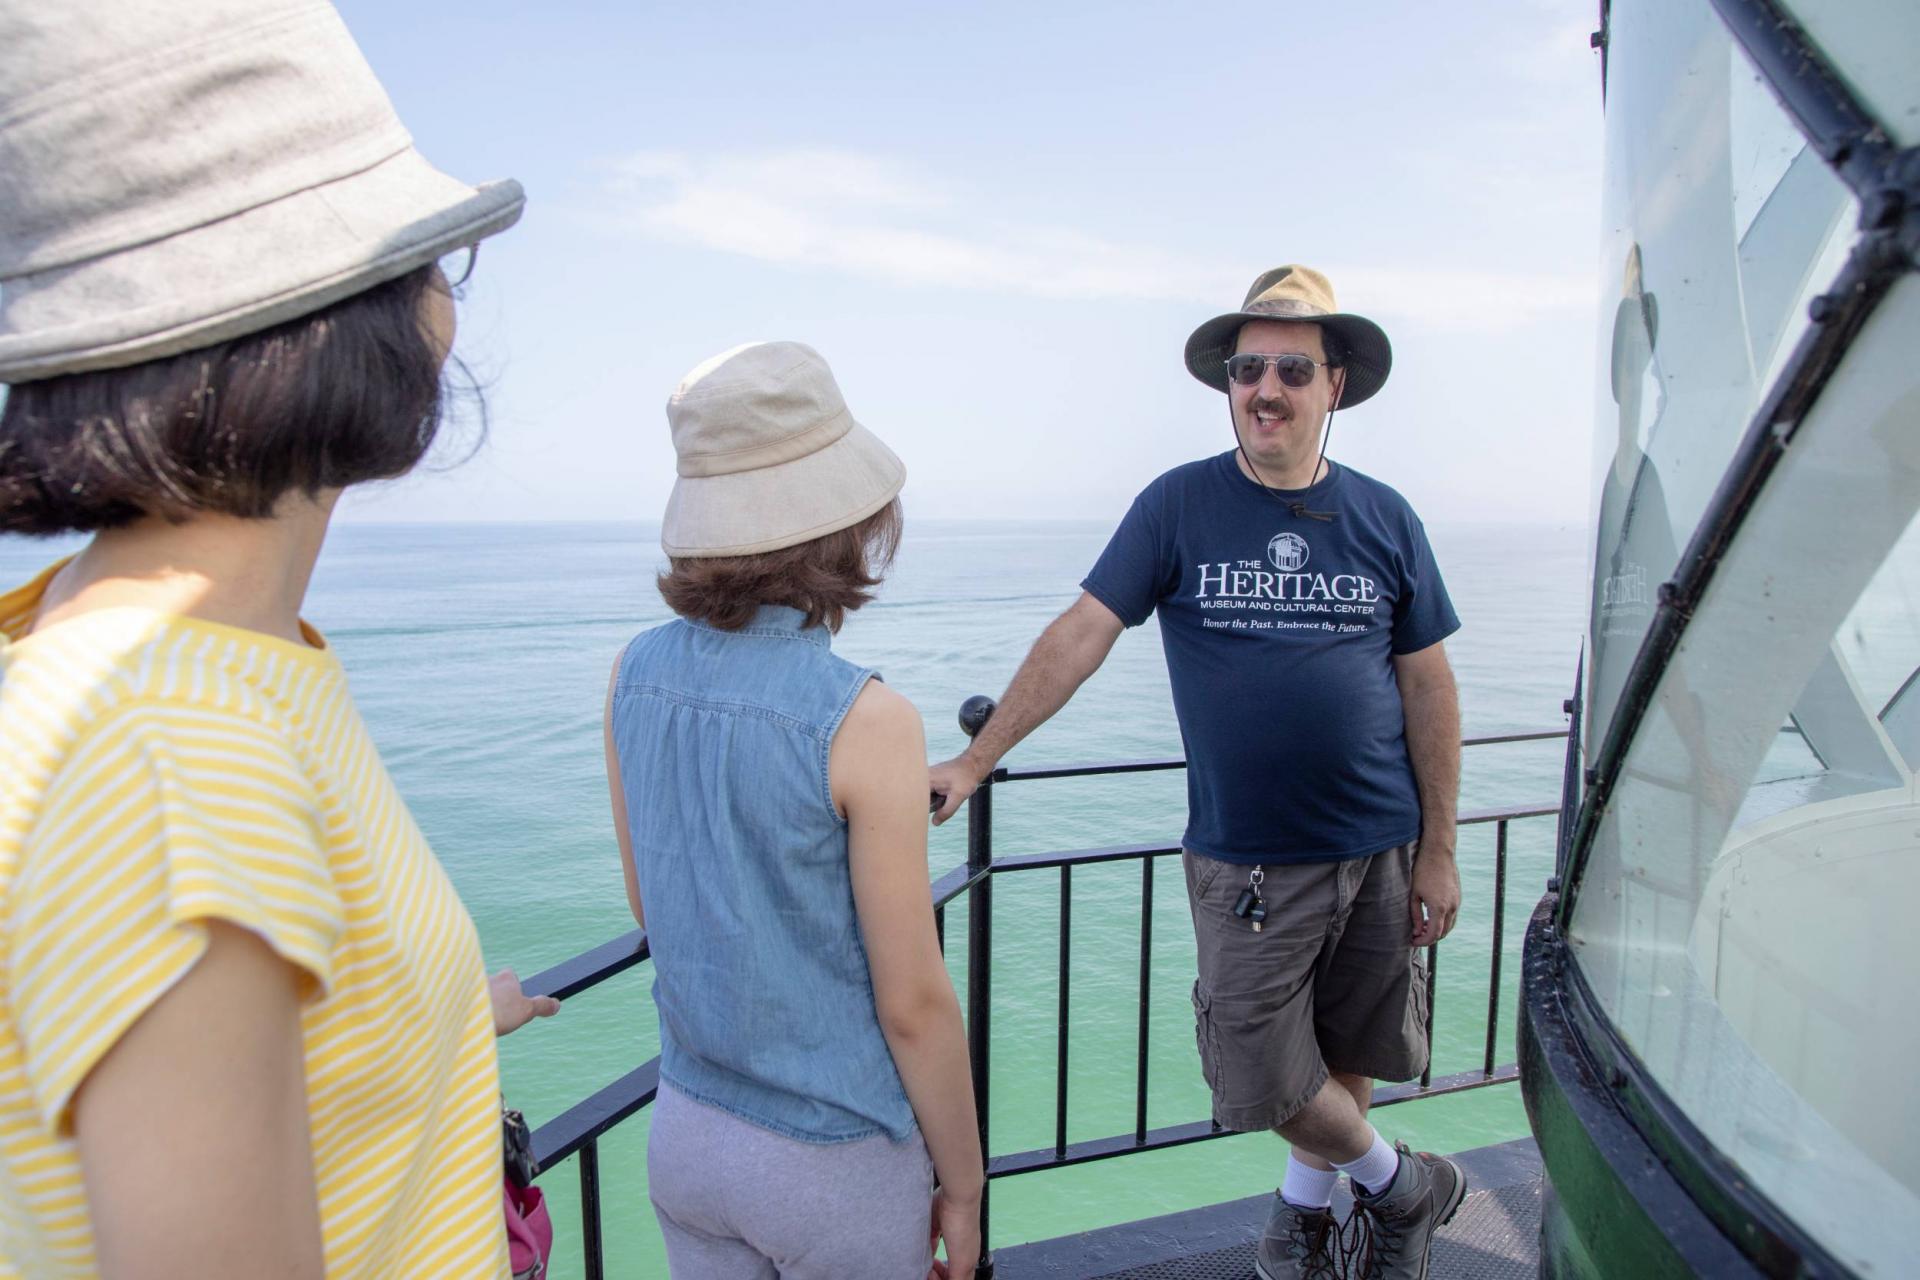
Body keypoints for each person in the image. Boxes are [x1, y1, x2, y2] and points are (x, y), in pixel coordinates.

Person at [0, 2, 555, 1276]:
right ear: (348, 318)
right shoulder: (175, 750)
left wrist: (441, 1021)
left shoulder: (156, 666)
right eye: (439, 261)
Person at [929, 266, 1466, 1280]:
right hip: (1250, 860)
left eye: (1292, 369)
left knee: (1347, 1051)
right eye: (1246, 368)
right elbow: (1082, 632)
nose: (1265, 388)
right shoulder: (1178, 504)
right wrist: (975, 756)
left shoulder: (1386, 517)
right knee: (1258, 1072)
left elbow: (1428, 684)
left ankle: (1307, 1221)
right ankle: (1404, 1185)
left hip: (1382, 845)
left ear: (1334, 385)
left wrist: (1439, 848)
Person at [604, 341, 983, 1280]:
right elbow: (913, 1003)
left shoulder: (632, 672)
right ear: (850, 519)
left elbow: (654, 905)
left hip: (689, 1128)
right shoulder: (867, 720)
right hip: (831, 1158)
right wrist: (966, 1184)